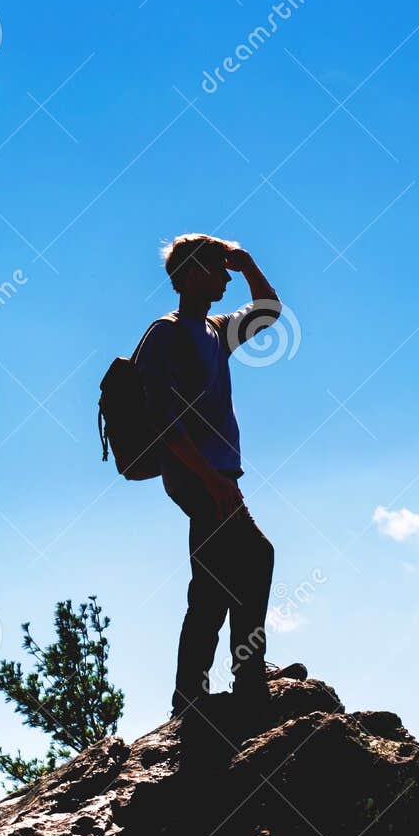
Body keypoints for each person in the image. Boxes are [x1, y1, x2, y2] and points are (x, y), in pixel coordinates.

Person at [136, 234, 303, 719]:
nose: (227, 278)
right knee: (254, 556)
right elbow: (165, 421)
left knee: (213, 585)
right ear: (192, 274)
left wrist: (248, 260)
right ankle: (244, 678)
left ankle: (192, 694)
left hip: (217, 477)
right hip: (197, 476)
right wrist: (211, 480)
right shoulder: (165, 335)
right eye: (218, 268)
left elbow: (268, 310)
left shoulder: (214, 330)